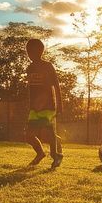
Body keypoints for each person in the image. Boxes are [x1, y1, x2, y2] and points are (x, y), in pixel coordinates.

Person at [24, 38, 64, 169]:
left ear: (40, 51)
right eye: (28, 51)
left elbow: (56, 86)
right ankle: (40, 153)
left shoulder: (47, 66)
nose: (30, 53)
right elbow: (31, 89)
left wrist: (59, 104)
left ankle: (56, 155)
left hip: (48, 106)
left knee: (48, 133)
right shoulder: (29, 68)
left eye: (33, 51)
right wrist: (31, 105)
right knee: (29, 135)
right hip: (34, 108)